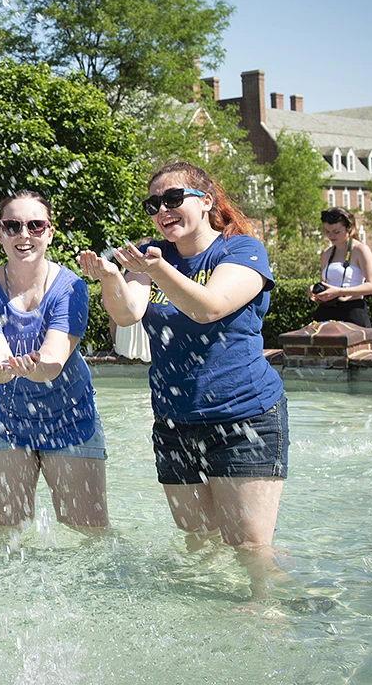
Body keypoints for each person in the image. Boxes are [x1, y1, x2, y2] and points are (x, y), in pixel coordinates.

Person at [78, 162, 288, 592]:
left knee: (249, 546)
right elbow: (126, 313)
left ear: (206, 201)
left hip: (244, 416)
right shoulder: (151, 254)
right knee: (200, 543)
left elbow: (209, 307)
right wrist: (112, 278)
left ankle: (269, 614)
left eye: (174, 199)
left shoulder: (242, 250)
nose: (162, 210)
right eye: (154, 204)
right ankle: (213, 615)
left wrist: (157, 270)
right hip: (174, 422)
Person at [0, 191, 108, 529]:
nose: (24, 235)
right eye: (13, 226)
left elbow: (53, 362)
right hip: (2, 424)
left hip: (70, 422)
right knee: (5, 539)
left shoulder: (70, 288)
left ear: (49, 232)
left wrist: (28, 367)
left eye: (35, 225)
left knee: (88, 536)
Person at [309, 206, 372, 327]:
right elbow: (325, 283)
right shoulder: (326, 253)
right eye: (327, 231)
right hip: (326, 311)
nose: (331, 236)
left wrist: (339, 292)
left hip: (352, 311)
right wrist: (314, 289)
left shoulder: (360, 250)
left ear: (349, 228)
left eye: (336, 232)